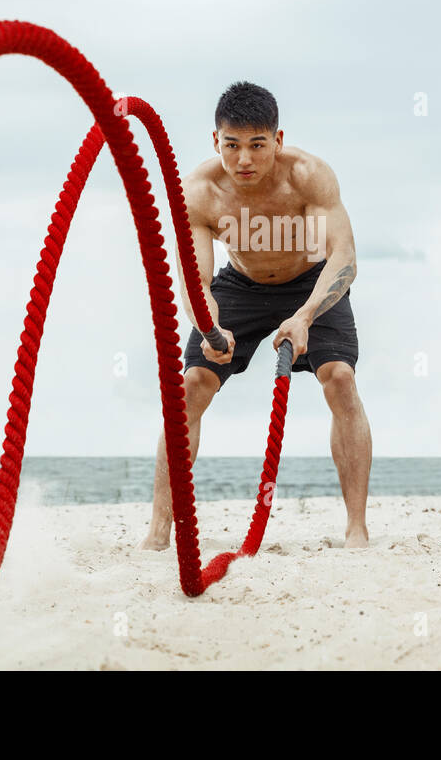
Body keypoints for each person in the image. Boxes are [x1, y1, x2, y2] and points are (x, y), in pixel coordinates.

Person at [138, 81, 372, 550]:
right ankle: (159, 532)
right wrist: (210, 326)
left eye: (257, 146)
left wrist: (304, 317)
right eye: (232, 146)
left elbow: (343, 257)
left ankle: (356, 529)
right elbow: (196, 278)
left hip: (311, 280)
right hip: (242, 284)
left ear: (278, 141)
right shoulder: (201, 191)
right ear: (216, 141)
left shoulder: (308, 175)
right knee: (189, 387)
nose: (244, 159)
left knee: (340, 378)